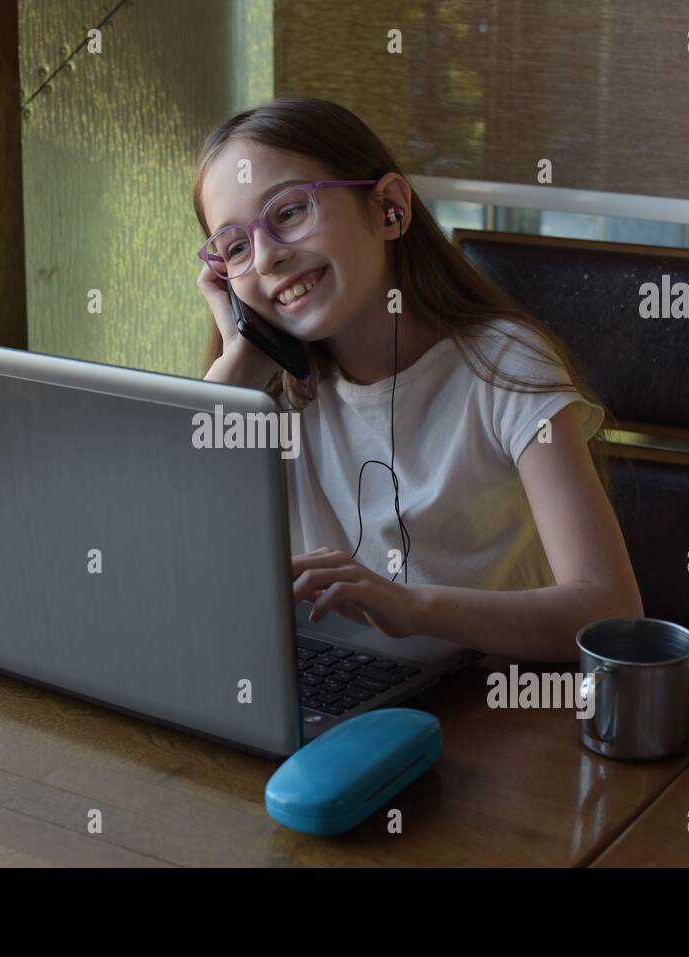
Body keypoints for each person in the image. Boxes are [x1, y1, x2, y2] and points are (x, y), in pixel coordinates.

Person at [195, 97, 641, 662]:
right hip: (339, 692)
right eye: (235, 247)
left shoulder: (505, 369)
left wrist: (411, 608)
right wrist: (234, 364)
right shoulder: (271, 395)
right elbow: (172, 567)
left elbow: (611, 612)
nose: (265, 260)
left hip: (496, 707)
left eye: (288, 212)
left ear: (388, 209)